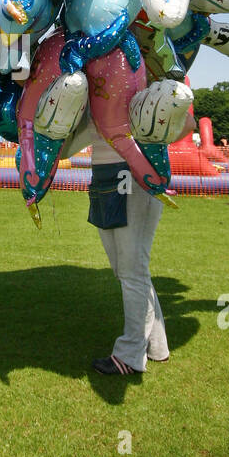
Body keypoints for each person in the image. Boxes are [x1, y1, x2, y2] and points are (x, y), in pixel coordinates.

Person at [79, 124, 170, 377]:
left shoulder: (146, 86)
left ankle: (129, 356)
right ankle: (157, 345)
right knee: (126, 270)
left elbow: (184, 123)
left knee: (132, 271)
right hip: (103, 175)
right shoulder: (91, 87)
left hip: (134, 174)